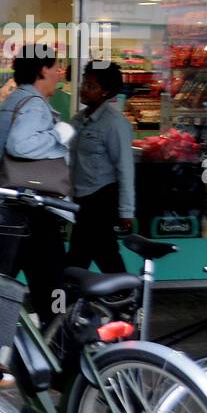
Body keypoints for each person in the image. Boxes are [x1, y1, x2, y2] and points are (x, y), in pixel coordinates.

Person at [0, 44, 75, 323]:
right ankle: (58, 353)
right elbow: (21, 143)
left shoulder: (6, 107)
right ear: (43, 69)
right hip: (31, 210)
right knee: (52, 290)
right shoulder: (33, 105)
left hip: (2, 211)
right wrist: (60, 134)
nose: (59, 73)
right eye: (56, 67)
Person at [67, 62, 134, 273]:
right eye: (84, 83)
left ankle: (64, 301)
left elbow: (125, 168)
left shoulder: (114, 124)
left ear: (105, 92)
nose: (84, 89)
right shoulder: (78, 121)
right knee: (96, 255)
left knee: (89, 256)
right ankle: (125, 300)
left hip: (101, 200)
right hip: (81, 199)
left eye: (91, 86)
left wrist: (126, 210)